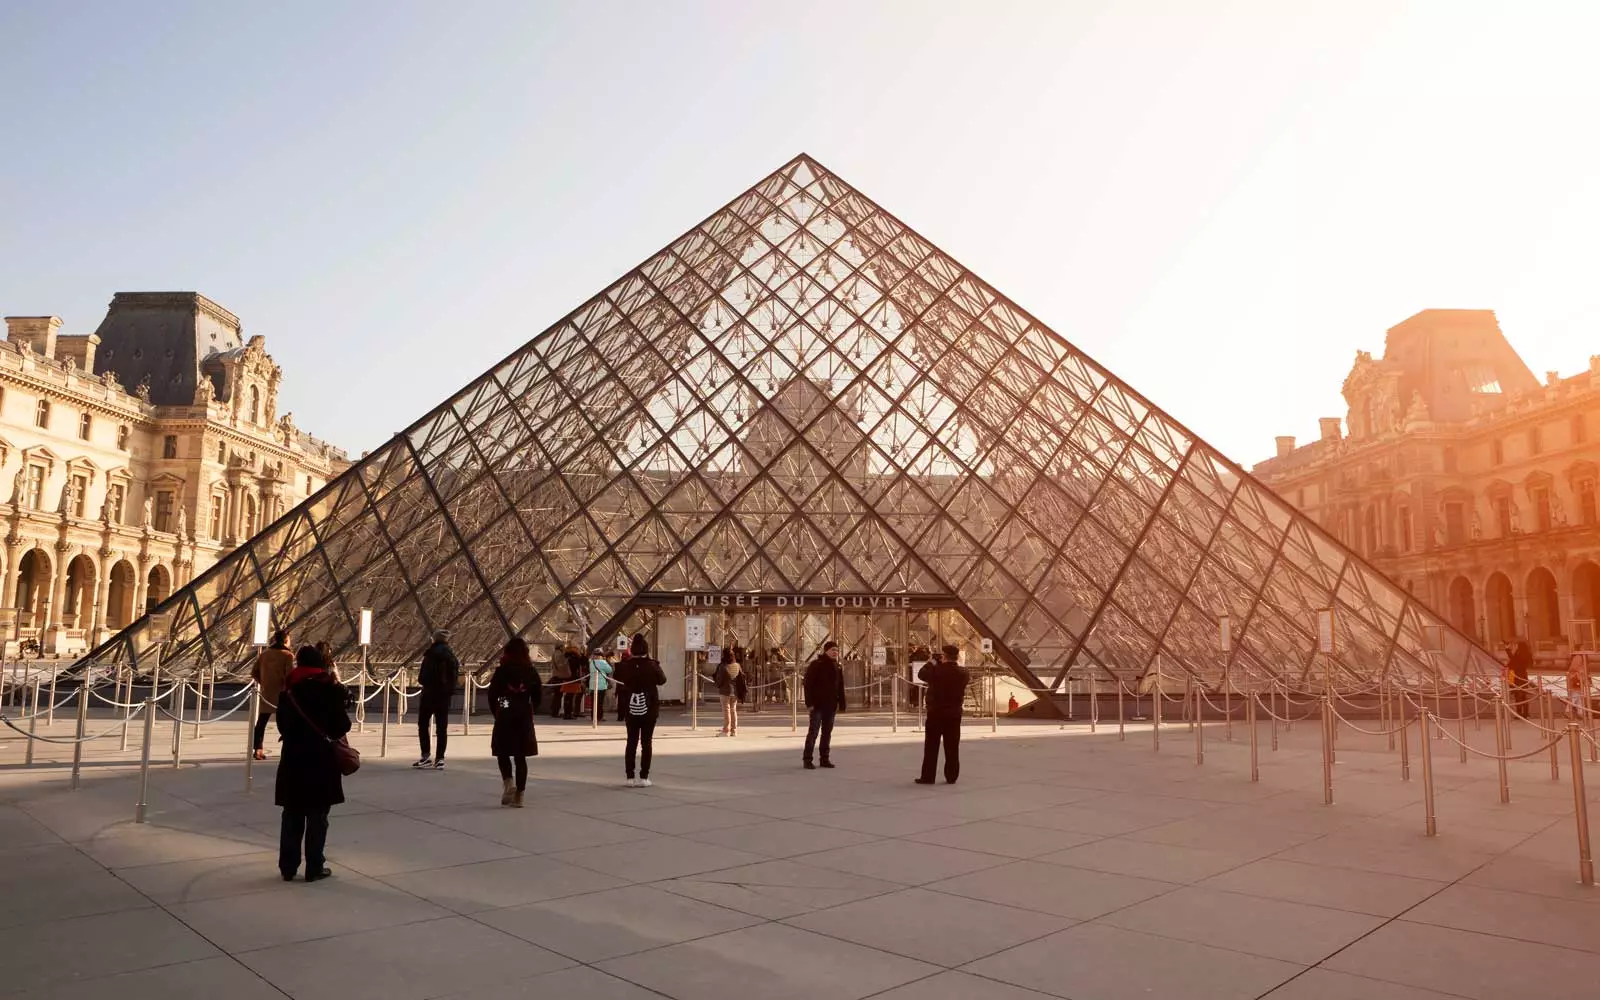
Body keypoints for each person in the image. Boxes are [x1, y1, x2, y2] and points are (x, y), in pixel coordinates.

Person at [275, 645, 352, 882]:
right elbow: (343, 726)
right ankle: (314, 866)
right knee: (318, 815)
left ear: (297, 663)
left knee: (292, 814)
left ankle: (288, 867)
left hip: (293, 759)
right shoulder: (331, 690)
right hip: (321, 759)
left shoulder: (288, 691)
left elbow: (282, 726)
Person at [488, 636, 540, 807]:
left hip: (505, 706)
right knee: (520, 755)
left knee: (502, 751)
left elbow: (493, 694)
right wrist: (531, 707)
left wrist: (498, 710)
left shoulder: (502, 670)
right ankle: (520, 796)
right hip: (523, 710)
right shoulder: (530, 670)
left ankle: (509, 782)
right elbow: (537, 694)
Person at [614, 633, 666, 787]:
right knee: (646, 742)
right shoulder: (652, 665)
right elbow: (662, 680)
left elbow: (618, 677)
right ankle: (644, 777)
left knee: (631, 741)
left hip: (630, 707)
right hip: (649, 707)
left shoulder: (625, 666)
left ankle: (630, 776)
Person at [916, 644, 971, 785]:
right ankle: (951, 776)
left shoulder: (936, 671)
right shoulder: (964, 673)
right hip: (954, 714)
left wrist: (931, 662)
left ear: (944, 656)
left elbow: (921, 674)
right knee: (952, 746)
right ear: (957, 657)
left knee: (931, 746)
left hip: (936, 713)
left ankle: (928, 776)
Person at [414, 630, 459, 769]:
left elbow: (421, 678)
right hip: (444, 696)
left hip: (428, 694)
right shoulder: (451, 657)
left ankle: (425, 755)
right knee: (441, 728)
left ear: (433, 640)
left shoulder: (430, 655)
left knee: (423, 725)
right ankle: (440, 758)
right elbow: (455, 677)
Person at [803, 639, 846, 770]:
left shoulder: (837, 666)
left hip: (831, 705)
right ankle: (807, 759)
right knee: (813, 732)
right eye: (833, 650)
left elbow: (840, 686)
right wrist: (809, 703)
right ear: (826, 651)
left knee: (827, 732)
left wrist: (842, 703)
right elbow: (807, 684)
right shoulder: (817, 664)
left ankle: (824, 758)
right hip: (817, 705)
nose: (835, 652)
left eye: (837, 650)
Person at [250, 630, 293, 761]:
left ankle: (258, 749)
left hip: (266, 692)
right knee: (286, 723)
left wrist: (263, 683)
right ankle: (288, 749)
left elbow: (254, 672)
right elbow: (289, 676)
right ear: (286, 640)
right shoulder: (288, 655)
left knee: (261, 722)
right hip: (282, 694)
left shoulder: (265, 654)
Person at [715, 651, 746, 736]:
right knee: (733, 710)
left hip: (725, 692)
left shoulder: (723, 666)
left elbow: (719, 680)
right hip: (735, 692)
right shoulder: (737, 666)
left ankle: (726, 730)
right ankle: (734, 730)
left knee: (726, 711)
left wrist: (718, 685)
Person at [1507, 636, 1534, 719]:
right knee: (1523, 695)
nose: (1516, 646)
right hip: (1523, 675)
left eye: (1517, 645)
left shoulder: (1518, 655)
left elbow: (1512, 662)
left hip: (1517, 676)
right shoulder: (1527, 655)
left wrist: (1509, 650)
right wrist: (1508, 650)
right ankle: (1525, 713)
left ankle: (1519, 713)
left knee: (1518, 695)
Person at [561, 644, 587, 720]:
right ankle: (568, 714)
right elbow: (584, 662)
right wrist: (583, 654)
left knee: (567, 696)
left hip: (566, 679)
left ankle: (567, 713)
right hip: (573, 679)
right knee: (570, 696)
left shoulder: (566, 657)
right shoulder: (575, 658)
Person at [588, 649, 614, 720]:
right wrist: (606, 662)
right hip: (601, 686)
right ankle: (599, 717)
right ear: (601, 655)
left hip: (593, 685)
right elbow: (610, 670)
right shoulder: (603, 662)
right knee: (600, 702)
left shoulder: (591, 662)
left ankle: (593, 716)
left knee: (593, 702)